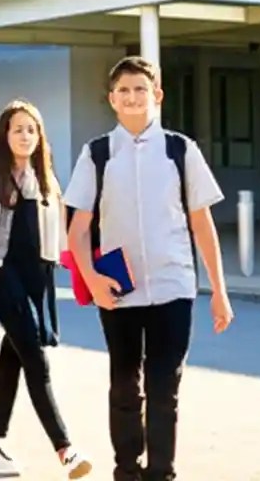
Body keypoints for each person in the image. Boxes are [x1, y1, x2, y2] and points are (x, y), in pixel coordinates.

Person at [63, 56, 233, 481]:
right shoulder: (97, 153)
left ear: (157, 95)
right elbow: (78, 229)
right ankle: (126, 471)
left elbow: (202, 223)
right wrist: (92, 280)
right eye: (123, 90)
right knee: (124, 385)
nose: (132, 97)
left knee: (163, 388)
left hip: (174, 285)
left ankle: (161, 473)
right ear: (111, 99)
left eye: (140, 89)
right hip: (117, 288)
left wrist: (220, 291)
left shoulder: (180, 149)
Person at [0, 100, 90, 477]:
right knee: (35, 358)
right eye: (17, 129)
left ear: (40, 138)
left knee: (13, 358)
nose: (25, 136)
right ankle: (65, 448)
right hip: (3, 277)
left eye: (31, 129)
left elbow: (64, 240)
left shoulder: (46, 183)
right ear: (4, 135)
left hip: (38, 279)